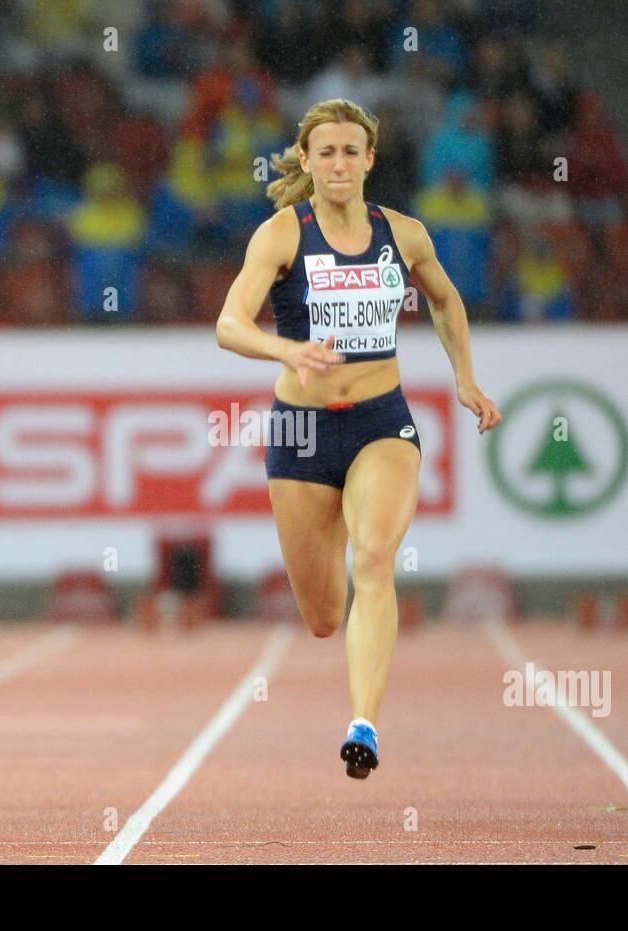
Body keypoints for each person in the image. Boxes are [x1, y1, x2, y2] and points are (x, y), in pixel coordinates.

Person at [215, 99, 502, 779]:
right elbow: (229, 323)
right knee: (321, 614)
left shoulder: (402, 233)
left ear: (370, 160)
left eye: (351, 151)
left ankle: (363, 723)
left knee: (374, 557)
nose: (339, 163)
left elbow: (445, 299)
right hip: (302, 430)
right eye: (327, 152)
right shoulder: (282, 234)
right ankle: (335, 533)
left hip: (381, 422)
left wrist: (464, 376)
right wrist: (286, 349)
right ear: (308, 161)